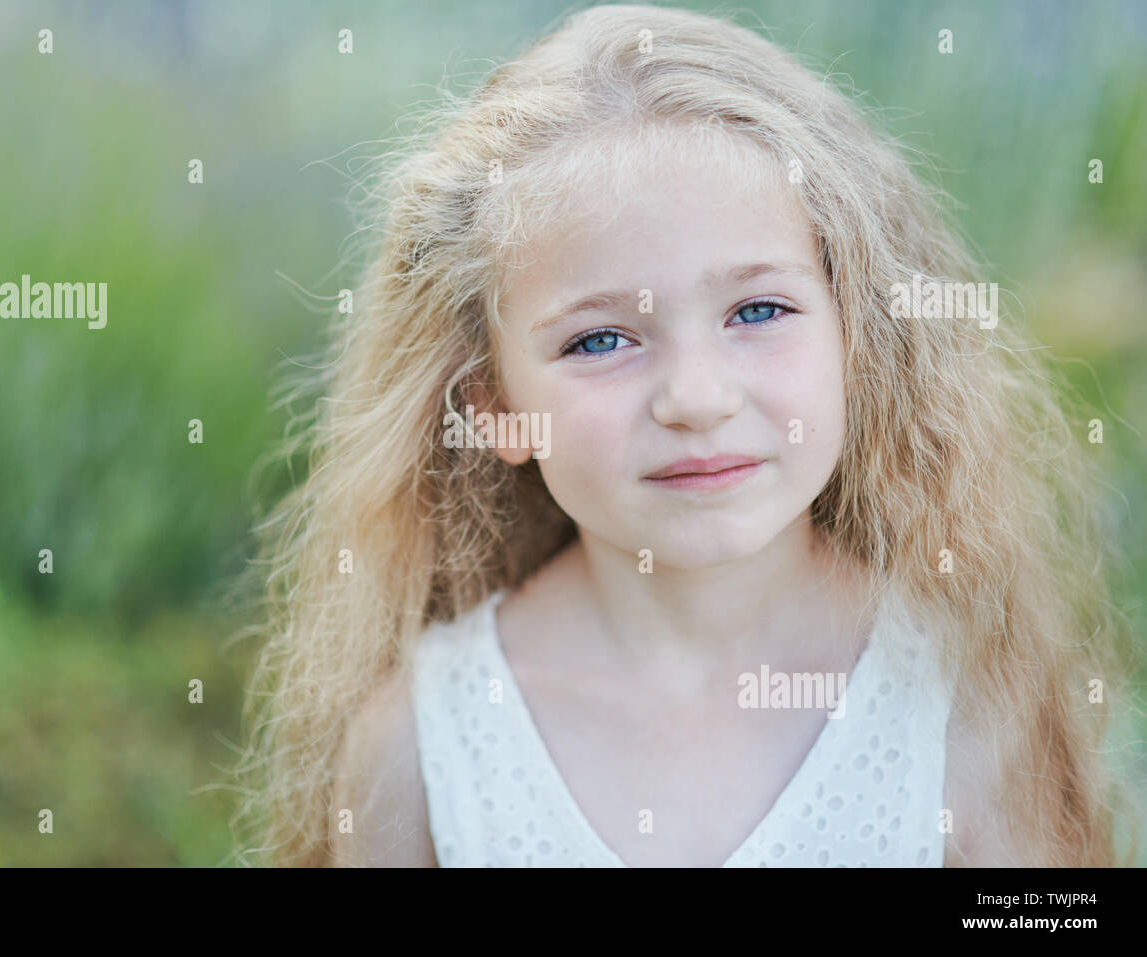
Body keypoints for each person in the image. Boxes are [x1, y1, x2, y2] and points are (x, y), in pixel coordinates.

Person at [232, 4, 1138, 867]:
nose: (696, 398)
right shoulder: (421, 744)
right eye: (600, 339)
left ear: (858, 338)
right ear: (492, 405)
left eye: (757, 309)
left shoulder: (964, 699)